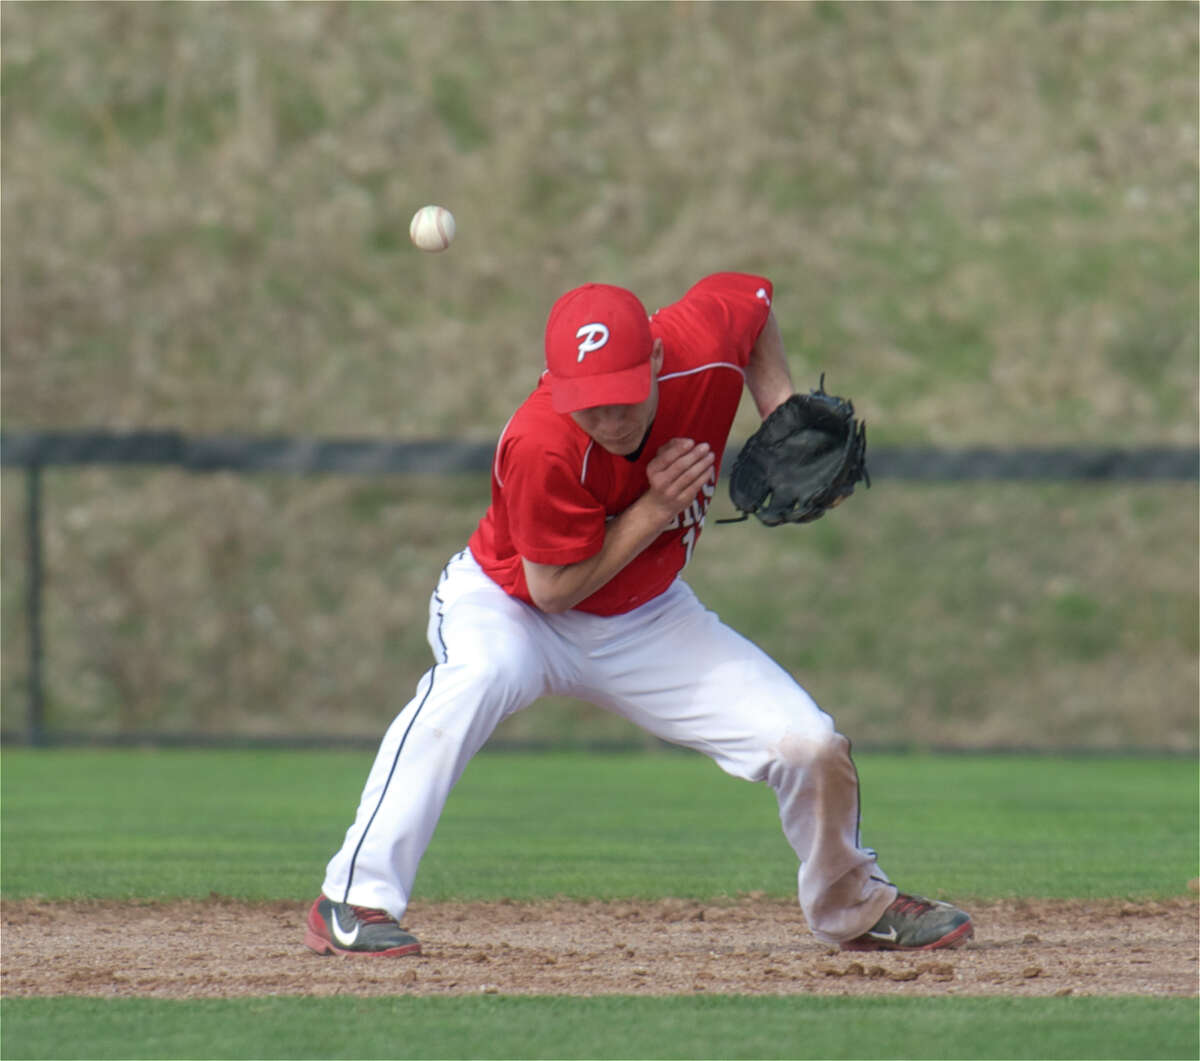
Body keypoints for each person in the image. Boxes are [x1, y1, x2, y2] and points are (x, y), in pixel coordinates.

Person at [304, 272, 973, 958]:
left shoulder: (700, 346)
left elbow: (754, 301)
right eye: (588, 404)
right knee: (472, 682)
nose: (609, 419)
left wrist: (778, 409)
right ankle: (353, 898)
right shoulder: (541, 442)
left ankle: (854, 906)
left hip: (644, 615)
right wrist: (653, 511)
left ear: (655, 360)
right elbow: (553, 591)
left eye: (622, 397)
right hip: (511, 605)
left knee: (807, 743)